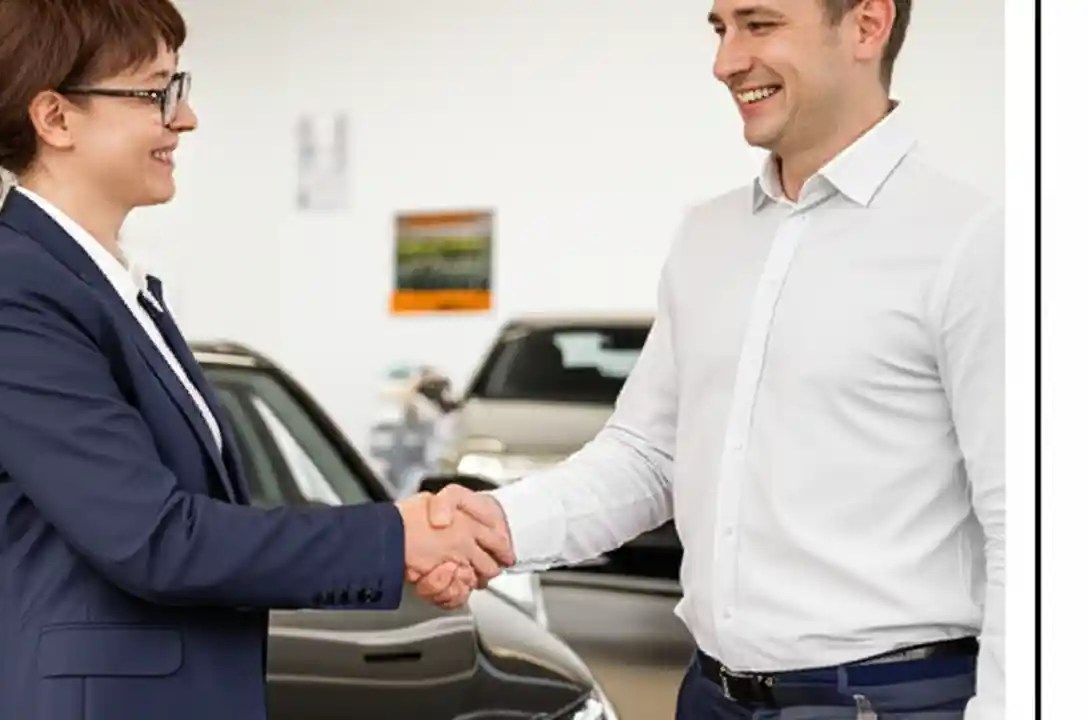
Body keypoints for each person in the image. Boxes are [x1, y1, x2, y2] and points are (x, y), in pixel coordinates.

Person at [417, 0, 1005, 718]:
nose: (725, 62)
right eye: (720, 28)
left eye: (759, 25)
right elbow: (648, 456)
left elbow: (1029, 530)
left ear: (867, 24)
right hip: (711, 695)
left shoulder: (972, 241)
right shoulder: (708, 237)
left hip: (886, 702)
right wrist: (496, 525)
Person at [0, 1, 510, 719]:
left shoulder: (105, 286)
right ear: (55, 118)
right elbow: (157, 539)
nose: (186, 118)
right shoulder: (10, 293)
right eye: (156, 91)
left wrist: (404, 542)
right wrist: (398, 536)